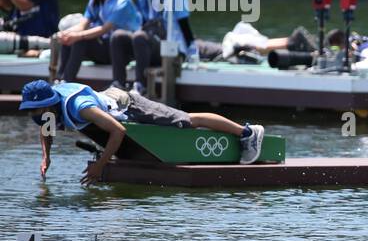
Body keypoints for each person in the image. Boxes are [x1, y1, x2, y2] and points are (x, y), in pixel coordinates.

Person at [18, 79, 265, 186]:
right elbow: (46, 129)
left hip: (129, 105)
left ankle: (246, 132)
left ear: (48, 102)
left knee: (185, 121)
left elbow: (118, 131)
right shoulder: (48, 110)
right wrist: (45, 157)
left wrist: (101, 166)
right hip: (112, 106)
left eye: (34, 109)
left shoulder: (79, 108)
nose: (32, 114)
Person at [56, 0, 142, 87]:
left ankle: (67, 82)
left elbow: (104, 29)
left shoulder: (123, 1)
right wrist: (65, 33)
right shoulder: (95, 1)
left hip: (121, 51)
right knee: (69, 39)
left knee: (79, 40)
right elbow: (83, 24)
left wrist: (77, 36)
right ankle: (60, 78)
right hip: (104, 46)